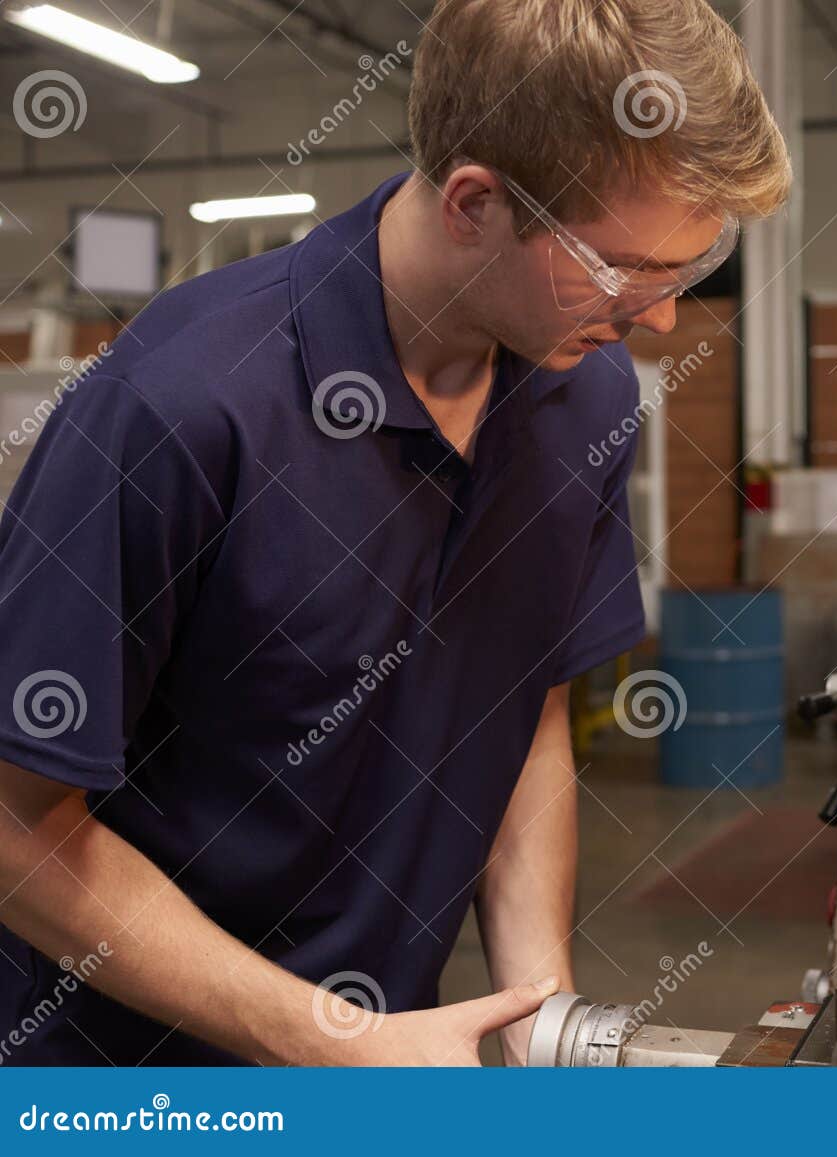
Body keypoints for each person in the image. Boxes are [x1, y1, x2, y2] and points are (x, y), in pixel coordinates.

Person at [0, 0, 789, 1066]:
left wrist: (535, 1009)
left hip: (389, 1053)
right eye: (621, 269)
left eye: (685, 269)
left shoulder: (585, 393)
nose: (657, 318)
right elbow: (13, 826)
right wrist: (324, 1038)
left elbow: (526, 702)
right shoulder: (182, 406)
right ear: (475, 201)